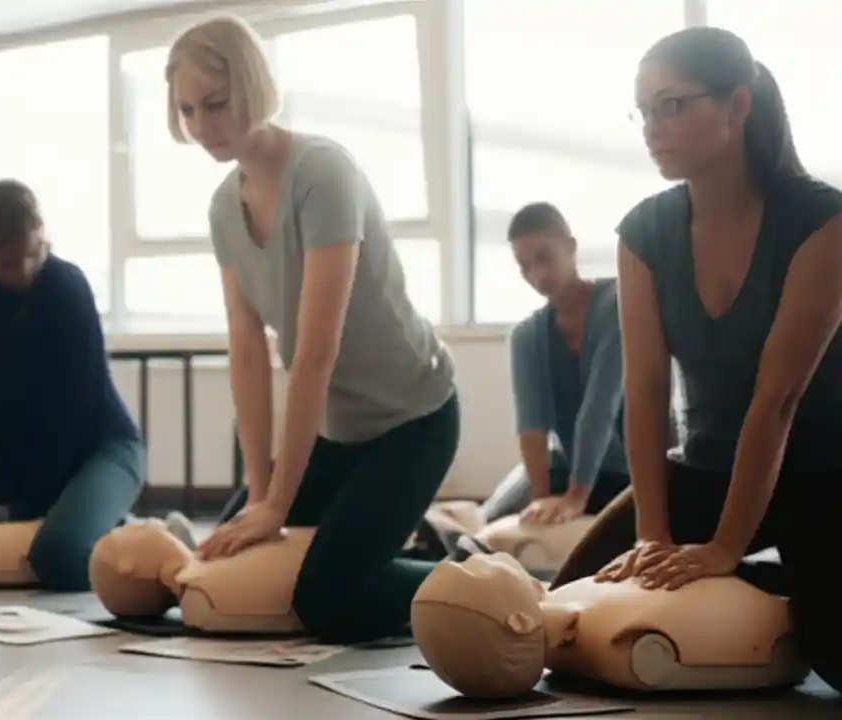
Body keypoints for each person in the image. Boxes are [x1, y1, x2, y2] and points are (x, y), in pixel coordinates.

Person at [558, 27, 842, 692]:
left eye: (673, 106)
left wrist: (722, 548)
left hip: (823, 475)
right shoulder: (644, 231)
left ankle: (762, 575)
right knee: (567, 604)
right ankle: (755, 574)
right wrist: (653, 535)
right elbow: (648, 387)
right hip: (704, 469)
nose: (653, 128)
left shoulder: (821, 220)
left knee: (833, 654)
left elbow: (778, 398)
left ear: (737, 105)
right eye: (645, 111)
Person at [166, 16, 460, 643]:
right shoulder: (224, 206)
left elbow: (314, 352)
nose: (202, 126)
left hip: (414, 421)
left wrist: (276, 506)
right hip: (338, 433)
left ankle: (465, 576)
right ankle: (397, 546)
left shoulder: (323, 172)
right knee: (220, 562)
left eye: (216, 104)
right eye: (189, 110)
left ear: (252, 86)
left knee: (328, 600)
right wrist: (260, 491)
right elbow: (246, 353)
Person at [0, 179, 145, 592]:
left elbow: (72, 411)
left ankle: (153, 538)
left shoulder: (66, 287)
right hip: (42, 464)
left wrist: (26, 508)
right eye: (4, 265)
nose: (19, 273)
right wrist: (1, 502)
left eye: (26, 256)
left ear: (39, 229)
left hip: (105, 450)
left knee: (59, 555)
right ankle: (123, 527)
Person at [480, 203, 629, 526]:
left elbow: (600, 405)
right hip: (565, 466)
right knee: (491, 522)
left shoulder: (620, 303)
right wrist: (542, 499)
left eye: (545, 258)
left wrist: (576, 497)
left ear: (571, 248)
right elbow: (531, 427)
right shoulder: (526, 335)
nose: (538, 275)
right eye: (525, 266)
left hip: (634, 471)